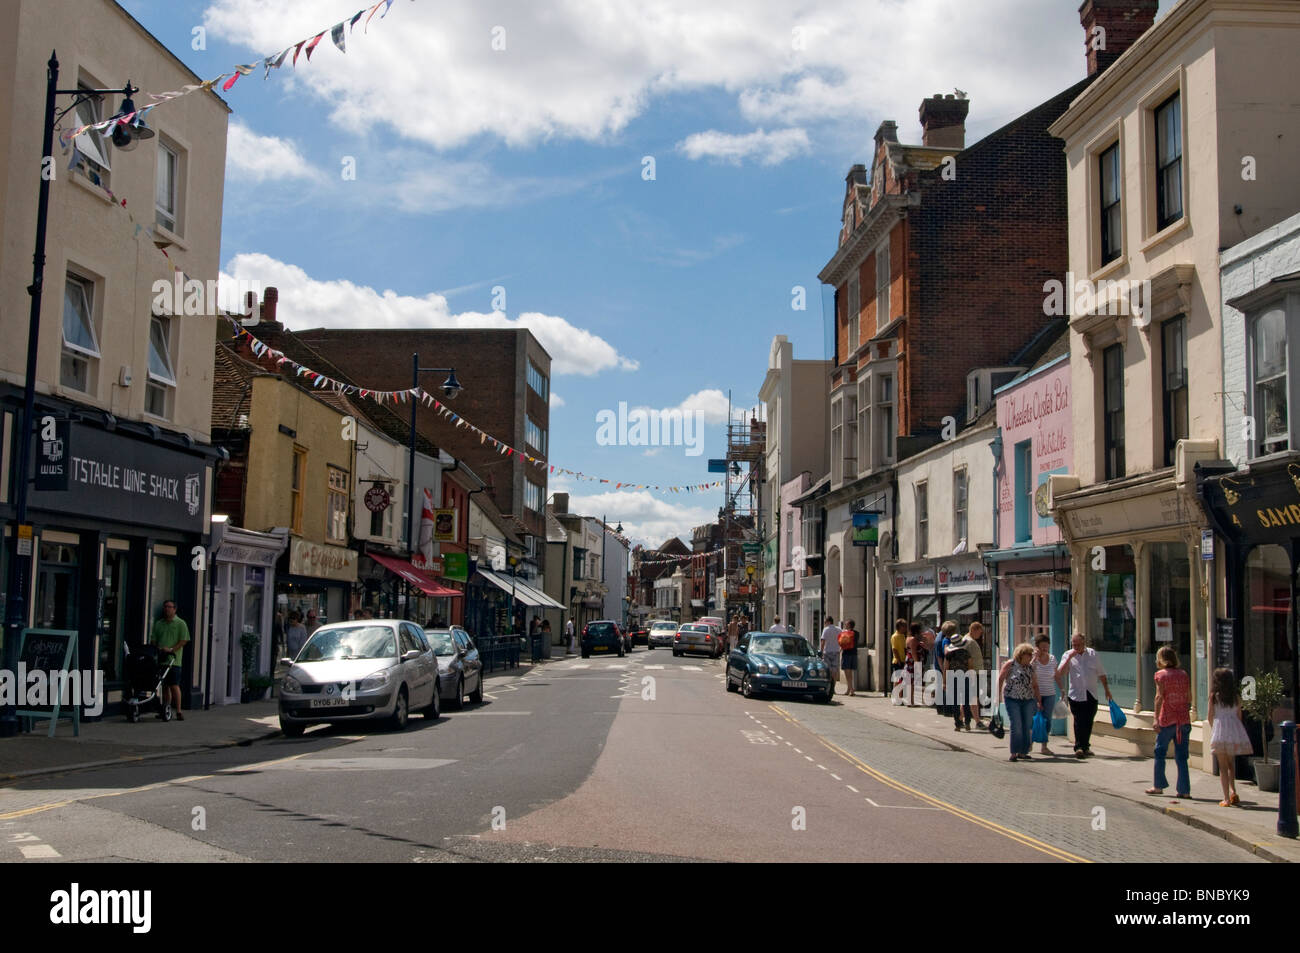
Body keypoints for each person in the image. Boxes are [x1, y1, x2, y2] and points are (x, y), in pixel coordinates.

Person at [1056, 632, 1113, 759]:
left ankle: (1086, 746)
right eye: (1074, 644)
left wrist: (1107, 690)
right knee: (1078, 720)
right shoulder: (1067, 655)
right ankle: (1079, 747)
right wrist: (1069, 657)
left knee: (1088, 721)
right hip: (1076, 694)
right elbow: (1060, 673)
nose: (1076, 647)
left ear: (1084, 644)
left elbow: (1101, 673)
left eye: (1078, 645)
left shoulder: (1093, 654)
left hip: (1091, 693)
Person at [1147, 645, 1192, 798]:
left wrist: (1155, 719)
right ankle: (1184, 790)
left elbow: (1159, 697)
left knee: (1160, 752)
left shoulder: (1161, 675)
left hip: (1167, 719)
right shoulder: (1183, 674)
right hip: (1183, 720)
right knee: (1182, 756)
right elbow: (1189, 697)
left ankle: (1158, 785)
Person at [1208, 667, 1251, 807]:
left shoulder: (1214, 697)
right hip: (1233, 731)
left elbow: (1210, 716)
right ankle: (1233, 791)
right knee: (1231, 764)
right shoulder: (1236, 697)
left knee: (1222, 767)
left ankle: (1226, 798)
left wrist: (1214, 728)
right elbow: (1239, 715)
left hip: (1220, 731)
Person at [150, 600, 190, 721]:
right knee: (164, 686)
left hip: (174, 660)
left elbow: (184, 640)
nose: (167, 609)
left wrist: (172, 649)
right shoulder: (159, 623)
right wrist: (158, 648)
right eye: (165, 607)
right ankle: (165, 709)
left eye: (169, 607)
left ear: (174, 609)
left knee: (174, 685)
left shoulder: (180, 623)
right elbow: (154, 639)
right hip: (161, 659)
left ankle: (178, 710)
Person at [998, 643, 1038, 762]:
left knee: (1026, 726)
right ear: (1021, 655)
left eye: (1031, 655)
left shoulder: (1030, 668)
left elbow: (1035, 684)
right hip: (1012, 698)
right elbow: (1000, 679)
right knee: (1016, 725)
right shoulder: (1010, 664)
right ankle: (1014, 752)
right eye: (1028, 655)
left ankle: (1023, 752)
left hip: (1028, 699)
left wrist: (1038, 699)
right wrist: (998, 697)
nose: (1030, 657)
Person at [944, 622, 978, 731]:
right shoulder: (966, 653)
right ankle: (968, 723)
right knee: (966, 701)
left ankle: (958, 724)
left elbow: (946, 668)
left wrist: (944, 682)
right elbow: (971, 666)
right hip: (965, 678)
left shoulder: (949, 655)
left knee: (955, 702)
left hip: (953, 679)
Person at [1031, 634, 1058, 756]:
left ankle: (1044, 746)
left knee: (1047, 720)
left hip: (1050, 693)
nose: (1045, 649)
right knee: (1034, 720)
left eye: (1047, 647)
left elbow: (1056, 674)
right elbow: (1028, 671)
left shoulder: (1052, 659)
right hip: (1035, 694)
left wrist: (1062, 689)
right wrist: (1034, 659)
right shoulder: (1033, 659)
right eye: (1042, 647)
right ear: (1037, 647)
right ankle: (1029, 744)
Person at [934, 621, 956, 716]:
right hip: (943, 667)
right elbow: (940, 656)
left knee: (944, 688)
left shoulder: (942, 638)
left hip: (944, 667)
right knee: (945, 688)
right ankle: (945, 709)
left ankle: (942, 709)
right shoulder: (942, 640)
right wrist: (943, 670)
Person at [819, 616, 842, 695]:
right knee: (834, 671)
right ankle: (833, 688)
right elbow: (842, 640)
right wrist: (840, 649)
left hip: (827, 652)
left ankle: (828, 687)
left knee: (828, 670)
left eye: (825, 622)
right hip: (836, 651)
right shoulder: (839, 629)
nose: (824, 624)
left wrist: (821, 652)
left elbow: (823, 641)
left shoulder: (826, 629)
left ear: (828, 622)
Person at [837, 619, 858, 697]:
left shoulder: (845, 633)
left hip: (846, 654)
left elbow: (842, 643)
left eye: (846, 624)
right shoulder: (856, 633)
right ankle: (849, 689)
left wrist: (840, 650)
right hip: (854, 653)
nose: (845, 625)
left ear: (849, 625)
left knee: (847, 673)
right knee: (851, 673)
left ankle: (851, 689)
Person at [889, 618, 908, 690]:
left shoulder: (902, 636)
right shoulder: (895, 636)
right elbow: (894, 649)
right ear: (900, 627)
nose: (906, 628)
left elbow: (904, 648)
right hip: (898, 661)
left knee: (902, 679)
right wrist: (899, 660)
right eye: (904, 626)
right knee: (897, 678)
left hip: (904, 660)